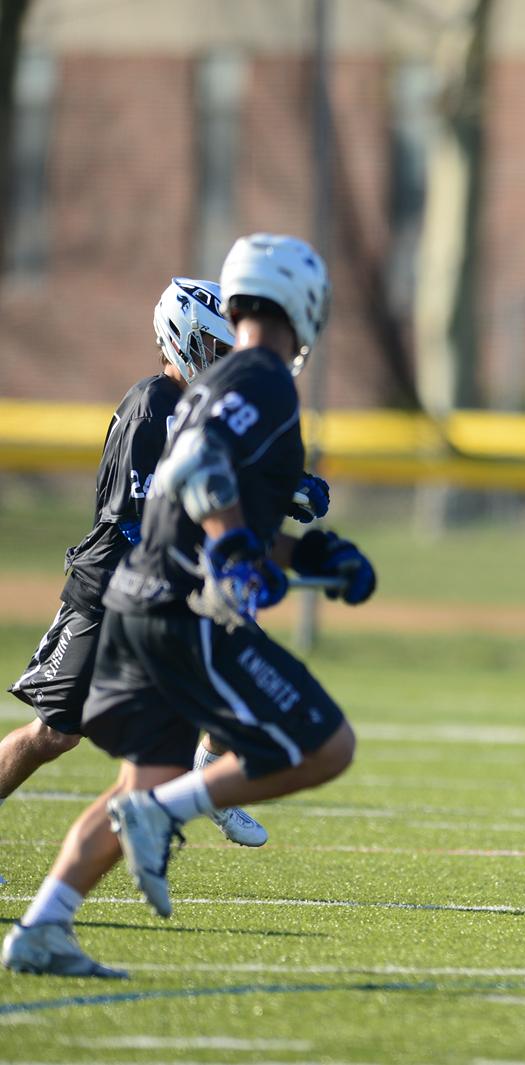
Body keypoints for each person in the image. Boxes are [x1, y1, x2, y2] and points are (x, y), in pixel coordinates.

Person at [1, 234, 374, 978]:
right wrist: (237, 548)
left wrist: (303, 555)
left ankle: (44, 926)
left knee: (132, 776)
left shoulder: (214, 385)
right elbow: (199, 469)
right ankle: (180, 805)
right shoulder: (258, 382)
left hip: (143, 602)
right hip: (171, 604)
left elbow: (195, 483)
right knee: (325, 746)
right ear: (303, 306)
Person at [0, 280, 331, 860]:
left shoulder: (202, 412)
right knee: (54, 734)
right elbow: (138, 513)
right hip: (109, 587)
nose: (226, 364)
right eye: (217, 350)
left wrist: (284, 491)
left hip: (156, 584)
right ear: (182, 339)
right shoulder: (153, 404)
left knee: (227, 649)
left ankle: (211, 761)